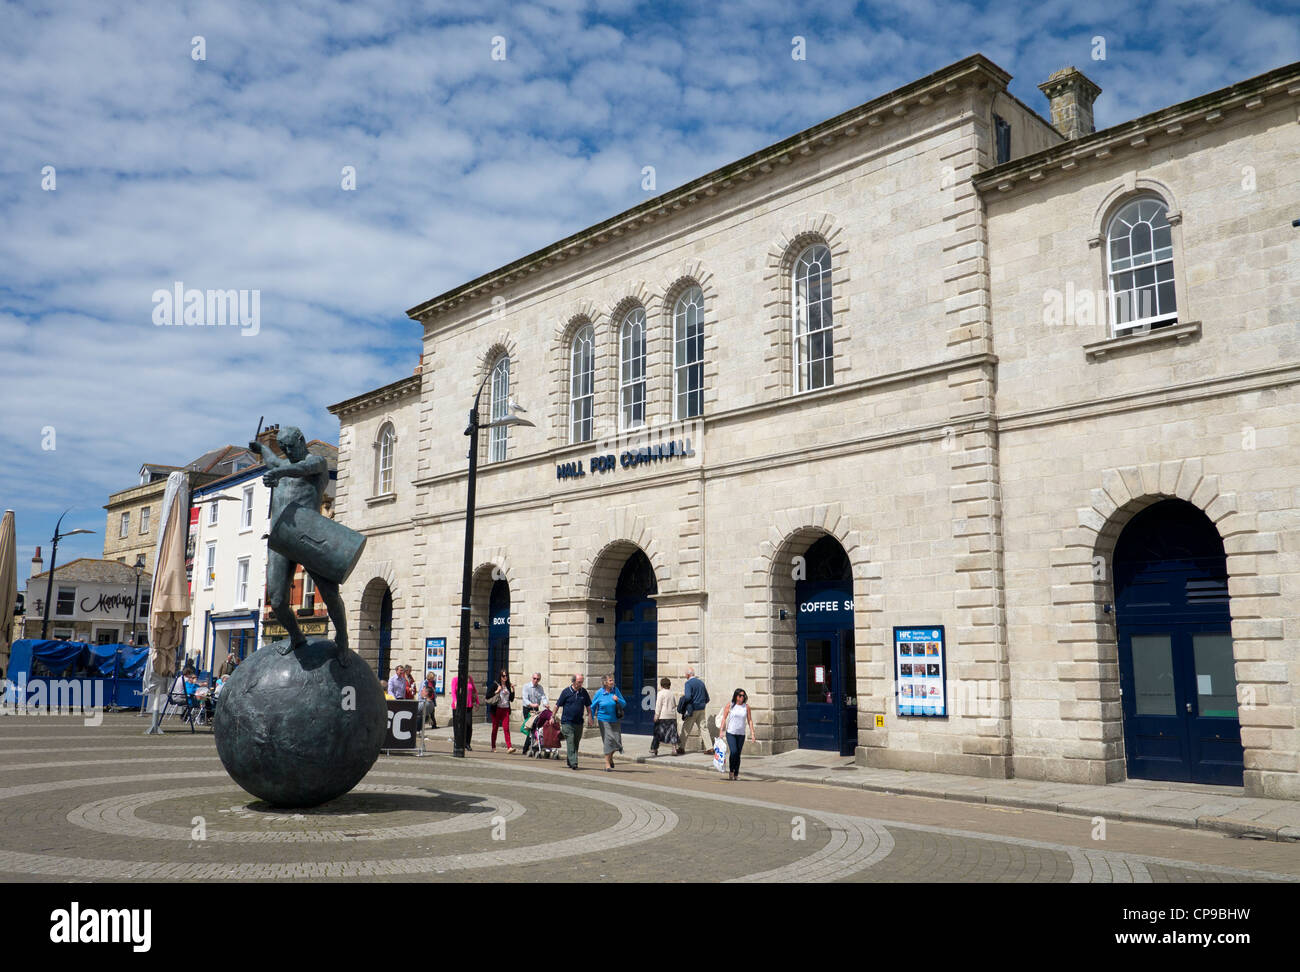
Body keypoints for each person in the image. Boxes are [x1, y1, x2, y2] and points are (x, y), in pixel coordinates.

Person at [248, 425, 350, 665]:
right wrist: (262, 448)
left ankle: (342, 638)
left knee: (329, 594)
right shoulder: (281, 466)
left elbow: (301, 468)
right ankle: (296, 636)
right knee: (277, 600)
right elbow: (273, 460)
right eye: (283, 448)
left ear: (301, 440)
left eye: (290, 446)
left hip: (308, 536)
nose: (287, 452)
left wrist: (279, 472)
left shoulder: (316, 462)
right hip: (281, 539)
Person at [553, 673, 593, 770]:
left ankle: (570, 760)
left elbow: (588, 706)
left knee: (575, 743)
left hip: (579, 722)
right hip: (567, 722)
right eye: (579, 682)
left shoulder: (583, 692)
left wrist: (590, 717)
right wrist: (552, 716)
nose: (581, 684)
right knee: (570, 741)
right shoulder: (566, 692)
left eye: (582, 682)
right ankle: (574, 762)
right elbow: (557, 705)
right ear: (574, 682)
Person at [589, 674, 626, 771]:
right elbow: (592, 707)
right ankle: (607, 764)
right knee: (608, 740)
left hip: (615, 720)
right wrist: (591, 718)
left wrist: (618, 699)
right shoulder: (599, 693)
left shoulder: (616, 691)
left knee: (617, 741)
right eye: (610, 680)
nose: (612, 682)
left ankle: (610, 758)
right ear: (605, 682)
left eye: (612, 680)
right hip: (603, 720)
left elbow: (624, 704)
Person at [718, 688, 757, 780]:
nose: (742, 697)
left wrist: (752, 733)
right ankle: (731, 771)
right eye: (740, 695)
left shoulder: (746, 707)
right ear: (736, 696)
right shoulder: (730, 705)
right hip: (731, 733)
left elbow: (750, 720)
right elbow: (724, 718)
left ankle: (736, 774)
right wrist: (721, 731)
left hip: (741, 734)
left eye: (743, 695)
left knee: (738, 754)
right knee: (734, 751)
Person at [676, 667, 711, 756]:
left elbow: (688, 697)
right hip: (701, 709)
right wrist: (701, 703)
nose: (685, 676)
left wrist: (683, 699)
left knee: (686, 728)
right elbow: (707, 698)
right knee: (704, 728)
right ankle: (710, 748)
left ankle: (681, 747)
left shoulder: (688, 683)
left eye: (685, 675)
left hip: (692, 709)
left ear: (688, 675)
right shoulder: (701, 683)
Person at [486, 669, 516, 753]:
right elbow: (487, 696)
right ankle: (493, 747)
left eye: (506, 675)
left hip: (505, 709)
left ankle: (509, 747)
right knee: (495, 728)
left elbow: (511, 699)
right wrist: (497, 691)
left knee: (506, 728)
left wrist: (513, 690)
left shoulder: (508, 686)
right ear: (500, 676)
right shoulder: (495, 685)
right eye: (503, 676)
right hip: (497, 709)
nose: (505, 677)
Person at [520, 672, 548, 755]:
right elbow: (525, 699)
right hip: (527, 709)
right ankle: (526, 749)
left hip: (535, 709)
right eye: (534, 678)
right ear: (532, 678)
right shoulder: (526, 686)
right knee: (531, 727)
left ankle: (532, 747)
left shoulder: (540, 688)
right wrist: (531, 704)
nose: (536, 680)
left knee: (535, 728)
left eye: (537, 679)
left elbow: (543, 697)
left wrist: (545, 704)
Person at [650, 676, 679, 757]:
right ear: (669, 685)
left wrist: (656, 715)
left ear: (661, 685)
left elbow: (658, 705)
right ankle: (674, 749)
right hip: (672, 716)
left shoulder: (660, 693)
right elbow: (674, 705)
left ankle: (654, 748)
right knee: (673, 733)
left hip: (663, 716)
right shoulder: (672, 693)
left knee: (657, 733)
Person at [450, 673, 479, 750]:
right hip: (458, 706)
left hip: (468, 706)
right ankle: (457, 742)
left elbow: (475, 691)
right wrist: (455, 701)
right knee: (458, 725)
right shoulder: (455, 680)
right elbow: (453, 691)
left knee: (469, 725)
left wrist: (477, 702)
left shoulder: (470, 679)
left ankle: (467, 743)